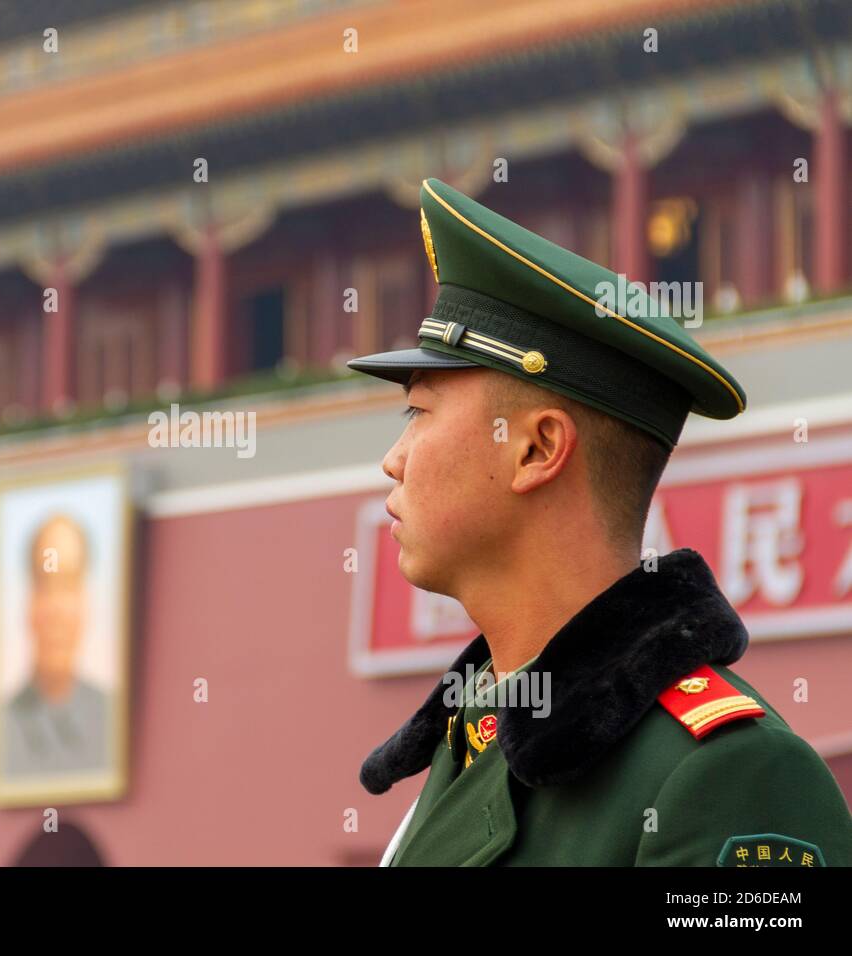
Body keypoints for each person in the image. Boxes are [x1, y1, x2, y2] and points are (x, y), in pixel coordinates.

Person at [349, 178, 852, 866]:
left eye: (420, 414)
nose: (393, 461)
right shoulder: (471, 743)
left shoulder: (726, 777)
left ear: (537, 449)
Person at [0, 513, 110, 777]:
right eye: (45, 586)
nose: (57, 611)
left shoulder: (107, 713)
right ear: (29, 602)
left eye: (69, 585)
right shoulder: (2, 720)